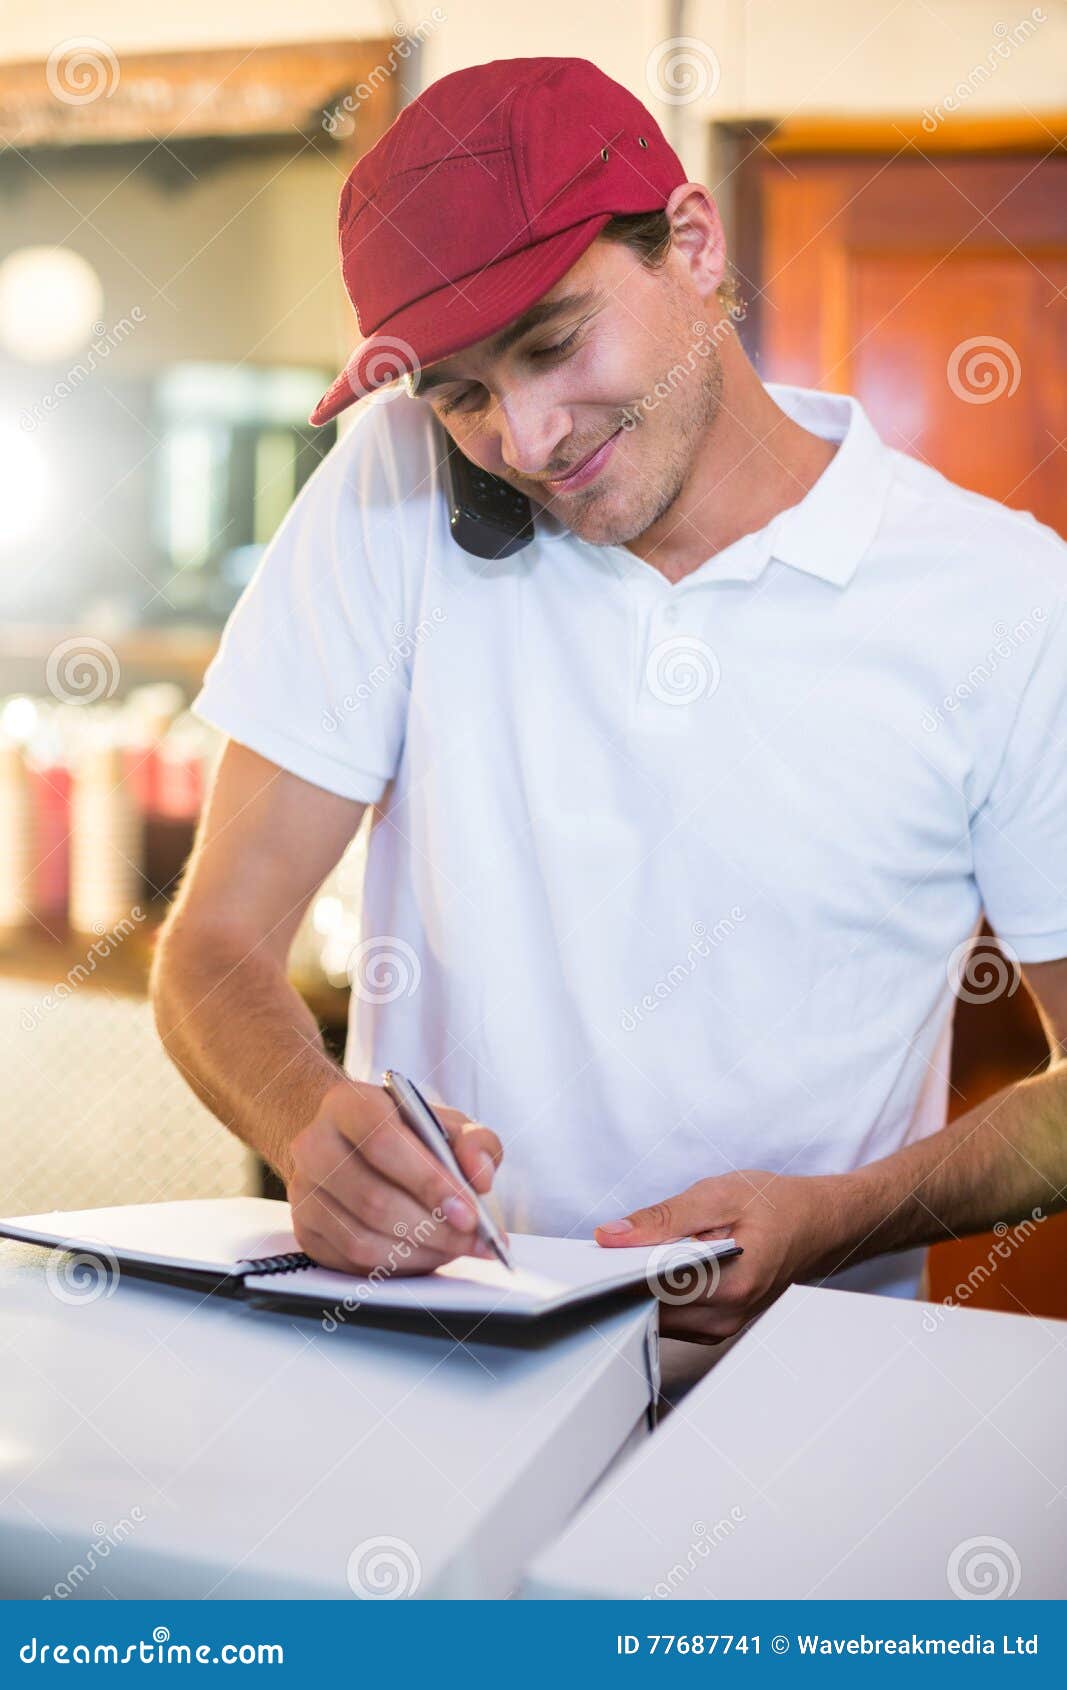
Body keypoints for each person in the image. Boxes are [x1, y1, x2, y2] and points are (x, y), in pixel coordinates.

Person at [151, 56, 1067, 1342]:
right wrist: (303, 1118)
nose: (525, 443)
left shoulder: (1007, 600)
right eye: (460, 391)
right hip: (436, 1363)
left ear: (689, 243)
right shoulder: (387, 493)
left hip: (797, 1390)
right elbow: (214, 947)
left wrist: (837, 1214)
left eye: (552, 343)